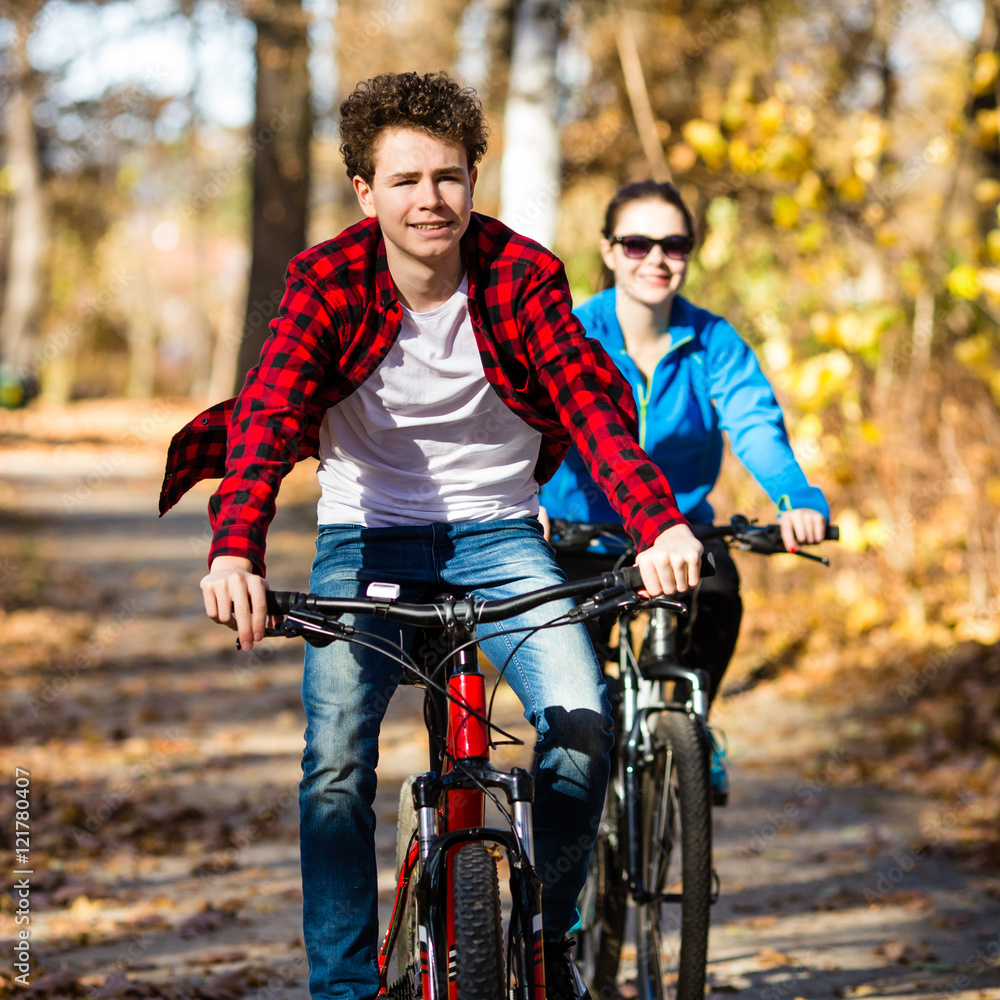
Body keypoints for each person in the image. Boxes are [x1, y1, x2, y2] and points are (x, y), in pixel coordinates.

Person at [159, 76, 704, 1000]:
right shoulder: (325, 281)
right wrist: (235, 547)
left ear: (473, 181)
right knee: (336, 763)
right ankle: (340, 988)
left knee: (582, 729)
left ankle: (548, 937)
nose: (430, 200)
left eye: (448, 177)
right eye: (405, 180)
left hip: (498, 537)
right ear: (366, 192)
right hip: (364, 541)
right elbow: (269, 415)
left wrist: (657, 522)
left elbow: (587, 404)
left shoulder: (521, 276)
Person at [538, 179, 829, 803]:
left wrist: (795, 497)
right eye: (638, 243)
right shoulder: (570, 330)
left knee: (720, 589)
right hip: (575, 535)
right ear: (609, 250)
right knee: (576, 714)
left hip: (679, 535)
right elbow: (519, 422)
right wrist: (519, 501)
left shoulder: (713, 342)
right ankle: (572, 872)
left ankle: (688, 723)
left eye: (674, 244)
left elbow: (754, 423)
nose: (657, 259)